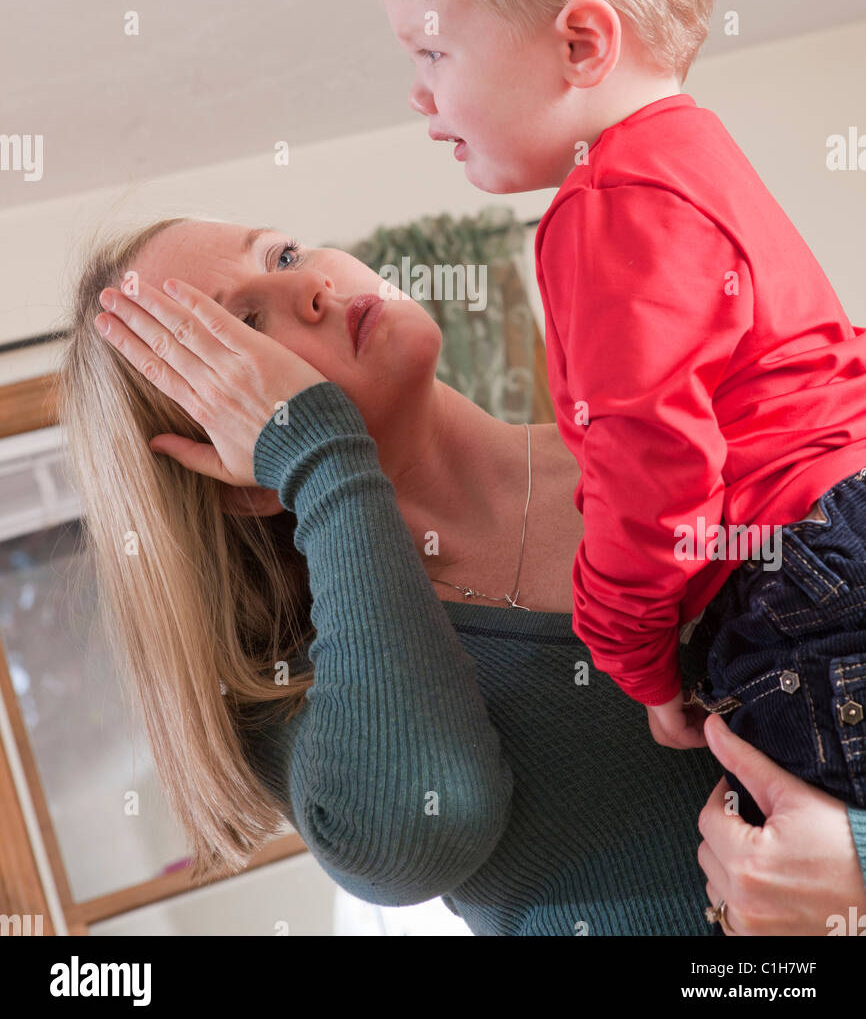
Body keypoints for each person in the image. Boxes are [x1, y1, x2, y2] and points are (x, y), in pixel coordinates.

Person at [61, 215, 866, 935]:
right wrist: (317, 454)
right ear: (236, 479)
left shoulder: (689, 441)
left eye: (285, 250)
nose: (309, 284)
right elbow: (419, 829)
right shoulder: (304, 692)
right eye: (244, 326)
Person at [375, 0, 866, 829]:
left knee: (776, 880)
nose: (419, 98)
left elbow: (656, 471)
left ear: (581, 42)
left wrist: (627, 649)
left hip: (794, 574)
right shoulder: (693, 155)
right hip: (837, 519)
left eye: (431, 55)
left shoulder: (604, 199)